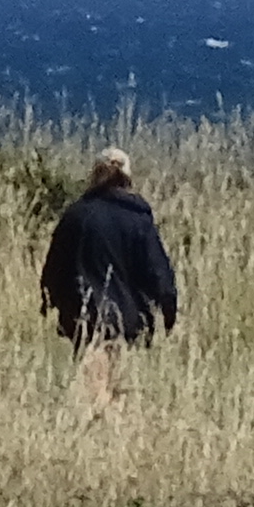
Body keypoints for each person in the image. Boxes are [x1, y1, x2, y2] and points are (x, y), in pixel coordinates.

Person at [39, 148, 182, 412]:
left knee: (94, 391)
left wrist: (52, 305)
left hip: (82, 317)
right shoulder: (139, 220)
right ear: (128, 178)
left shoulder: (76, 216)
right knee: (116, 393)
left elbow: (53, 270)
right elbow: (158, 274)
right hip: (127, 321)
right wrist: (168, 312)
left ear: (94, 176)